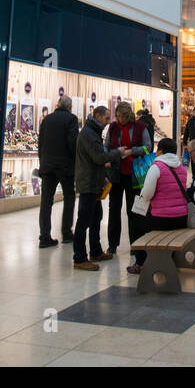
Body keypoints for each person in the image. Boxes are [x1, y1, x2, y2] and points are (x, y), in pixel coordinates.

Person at [72, 106, 131, 270]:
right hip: (88, 183)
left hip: (94, 182)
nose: (108, 122)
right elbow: (98, 157)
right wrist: (117, 152)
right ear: (97, 116)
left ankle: (96, 251)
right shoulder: (89, 134)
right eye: (106, 118)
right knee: (84, 220)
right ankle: (79, 257)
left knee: (96, 217)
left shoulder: (92, 131)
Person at [129, 137, 190, 274]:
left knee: (137, 224)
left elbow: (147, 194)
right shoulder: (181, 167)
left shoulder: (156, 167)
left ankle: (140, 262)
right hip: (181, 218)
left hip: (162, 220)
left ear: (160, 151)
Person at [104, 101, 151, 256]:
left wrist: (132, 151)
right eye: (117, 116)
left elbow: (148, 147)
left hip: (134, 174)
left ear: (128, 115)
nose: (120, 119)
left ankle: (135, 244)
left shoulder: (140, 127)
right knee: (114, 209)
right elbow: (106, 146)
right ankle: (112, 244)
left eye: (123, 116)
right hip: (116, 173)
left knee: (134, 210)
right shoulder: (113, 127)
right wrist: (109, 157)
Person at [36, 94, 78, 248]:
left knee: (46, 201)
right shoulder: (71, 119)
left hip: (47, 166)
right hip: (65, 165)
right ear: (69, 107)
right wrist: (76, 160)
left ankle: (44, 236)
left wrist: (42, 162)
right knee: (69, 197)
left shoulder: (46, 119)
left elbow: (41, 144)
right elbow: (72, 142)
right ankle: (66, 232)